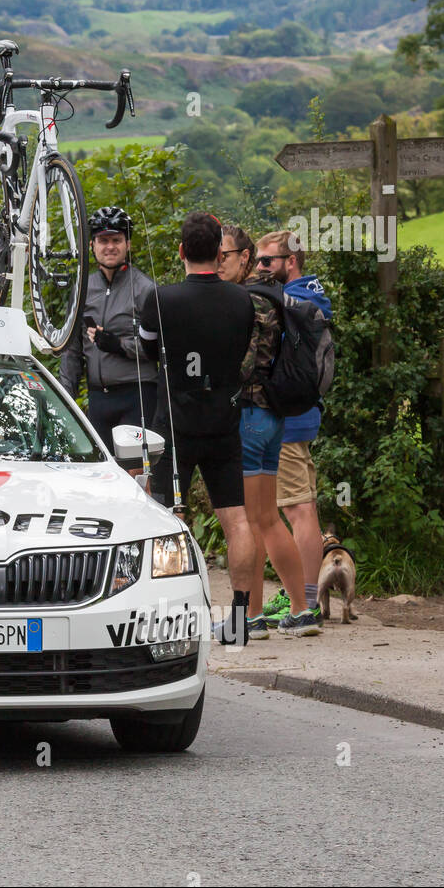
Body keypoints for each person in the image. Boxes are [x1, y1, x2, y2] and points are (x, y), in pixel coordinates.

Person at [137, 211, 264, 643]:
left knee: (163, 518)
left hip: (173, 422)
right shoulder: (240, 300)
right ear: (218, 252)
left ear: (181, 252)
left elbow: (147, 351)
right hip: (223, 421)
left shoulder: (160, 298)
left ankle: (168, 614)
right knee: (236, 519)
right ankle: (241, 618)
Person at [234, 226, 316, 636]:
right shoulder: (280, 297)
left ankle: (249, 619)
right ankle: (302, 610)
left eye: (225, 256)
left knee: (250, 522)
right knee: (268, 519)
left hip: (250, 413)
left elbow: (246, 364)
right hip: (275, 417)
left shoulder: (249, 299)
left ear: (242, 258)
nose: (219, 264)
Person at [251, 229, 334, 628]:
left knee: (298, 508)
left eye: (267, 261)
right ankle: (298, 593)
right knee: (300, 506)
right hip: (301, 414)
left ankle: (307, 602)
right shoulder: (306, 294)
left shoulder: (297, 299)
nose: (259, 268)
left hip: (290, 417)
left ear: (291, 261)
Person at [60, 206, 158, 445]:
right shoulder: (83, 288)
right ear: (92, 245)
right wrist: (65, 398)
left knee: (136, 471)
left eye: (117, 239)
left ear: (128, 244)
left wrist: (118, 345)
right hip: (98, 398)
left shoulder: (145, 289)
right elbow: (72, 349)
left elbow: (157, 348)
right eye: (103, 240)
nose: (110, 246)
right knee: (103, 474)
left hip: (137, 394)